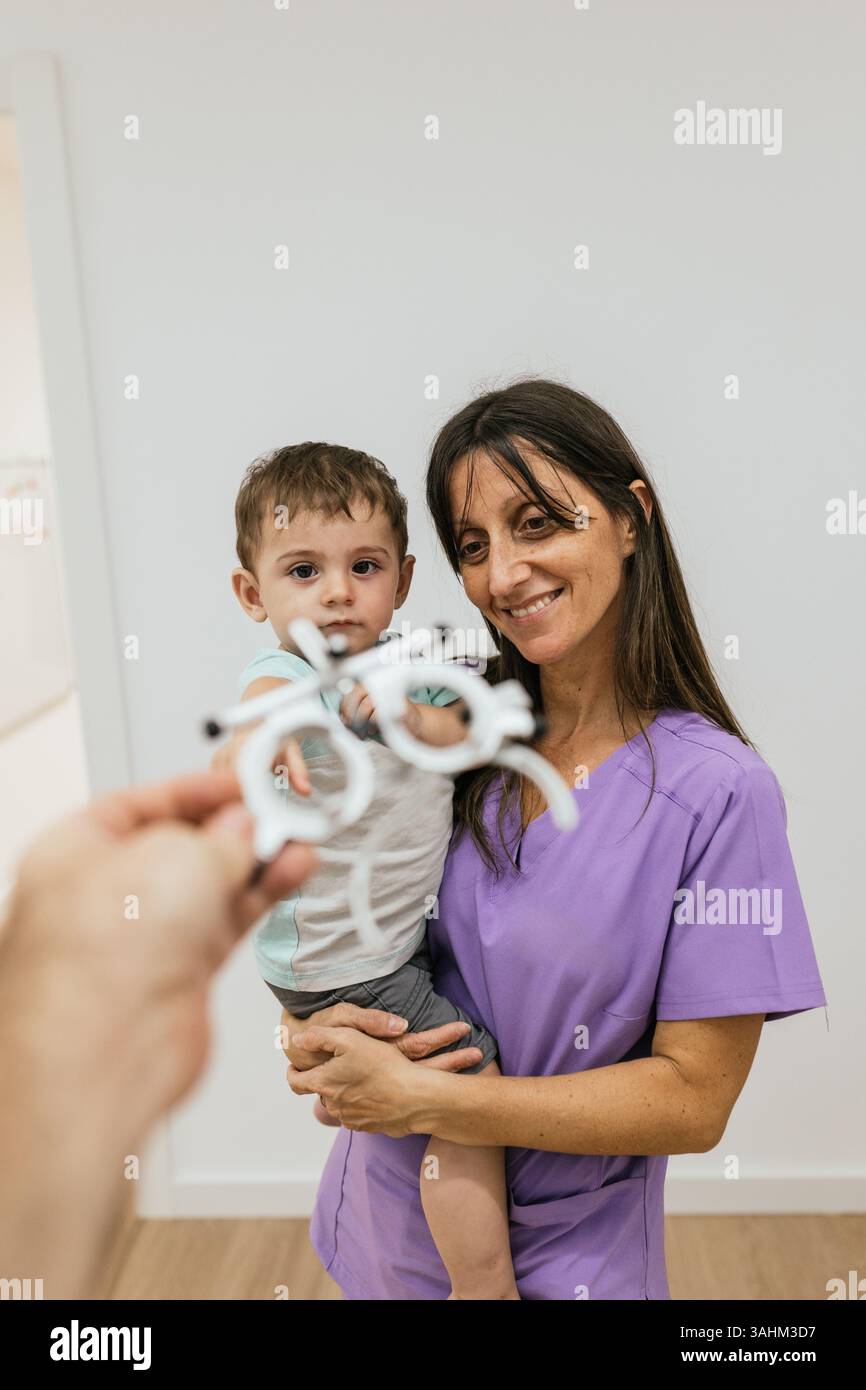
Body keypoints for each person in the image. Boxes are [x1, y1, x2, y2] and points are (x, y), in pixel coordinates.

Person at [279, 378, 828, 1300]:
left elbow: (695, 1102)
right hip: (378, 1223)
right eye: (474, 545)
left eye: (539, 523)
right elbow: (337, 892)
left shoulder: (720, 793)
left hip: (565, 1266)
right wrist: (314, 1025)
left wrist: (438, 1099)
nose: (503, 574)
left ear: (628, 517)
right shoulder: (445, 721)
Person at [211, 442, 521, 1298]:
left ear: (404, 579)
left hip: (381, 939)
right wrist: (263, 752)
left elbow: (466, 734)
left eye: (365, 566)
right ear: (253, 594)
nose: (338, 591)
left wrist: (411, 716)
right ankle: (484, 1283)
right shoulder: (287, 675)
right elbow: (253, 727)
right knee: (470, 1082)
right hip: (346, 964)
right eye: (303, 570)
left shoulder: (402, 669)